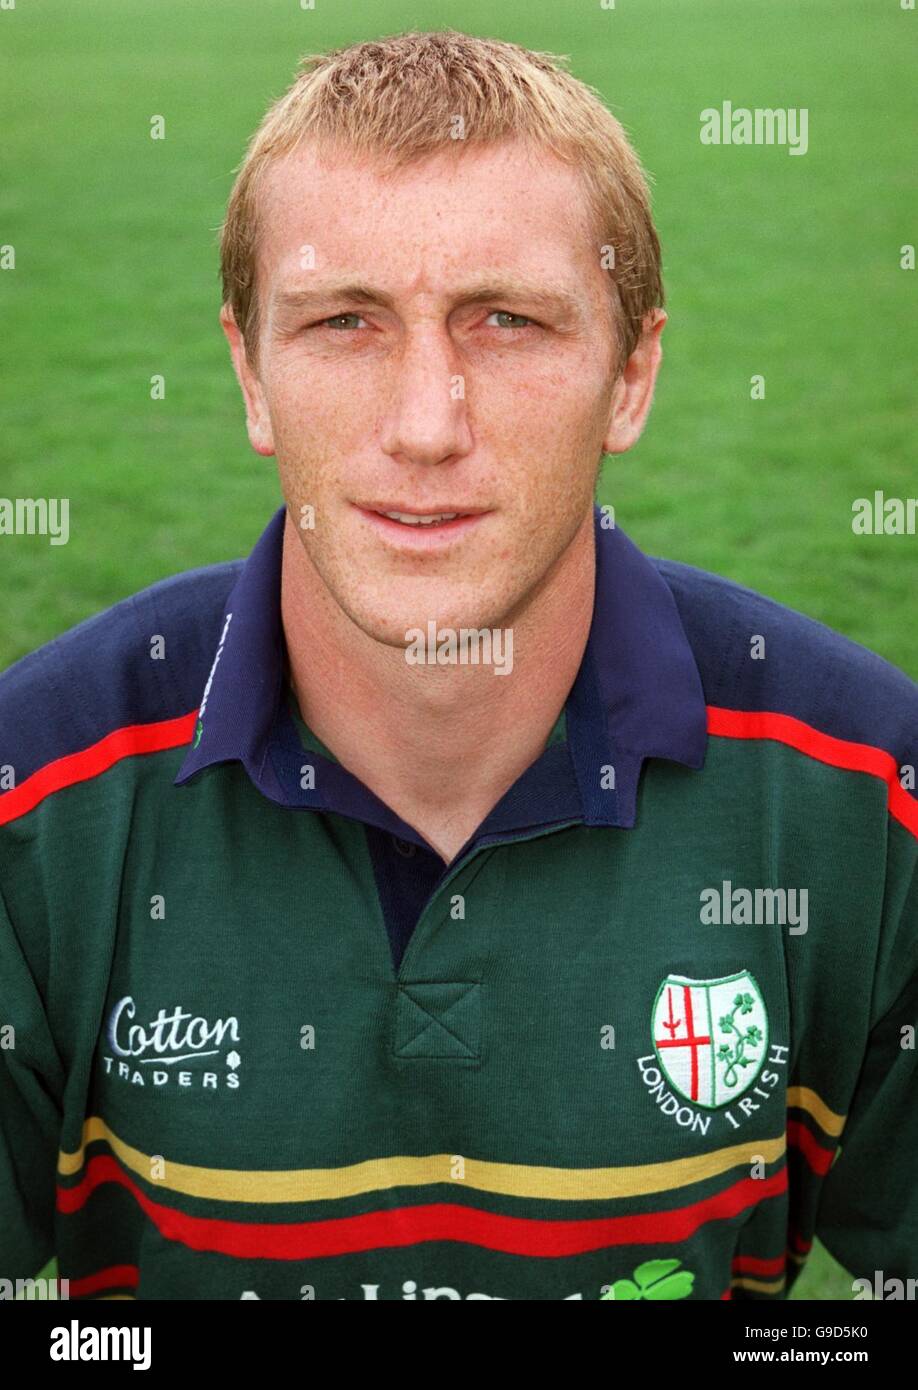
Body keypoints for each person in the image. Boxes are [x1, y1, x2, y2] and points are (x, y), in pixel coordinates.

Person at [1, 30, 915, 1303]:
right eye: (344, 321)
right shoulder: (35, 792)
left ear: (632, 375)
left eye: (507, 321)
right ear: (250, 373)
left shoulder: (871, 794)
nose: (427, 425)